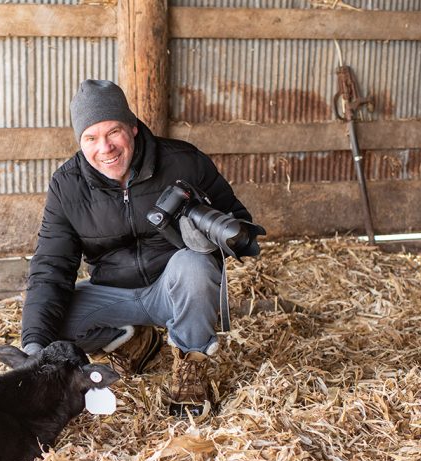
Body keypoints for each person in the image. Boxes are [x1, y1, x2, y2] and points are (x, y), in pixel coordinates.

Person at [20, 80, 254, 416]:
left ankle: (190, 368)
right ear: (80, 142)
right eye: (91, 138)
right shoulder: (66, 185)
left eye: (113, 132)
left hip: (173, 288)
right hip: (112, 293)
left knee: (195, 266)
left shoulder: (183, 162)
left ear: (132, 126)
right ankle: (133, 342)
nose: (105, 148)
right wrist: (33, 348)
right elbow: (50, 267)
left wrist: (206, 235)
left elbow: (238, 225)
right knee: (48, 328)